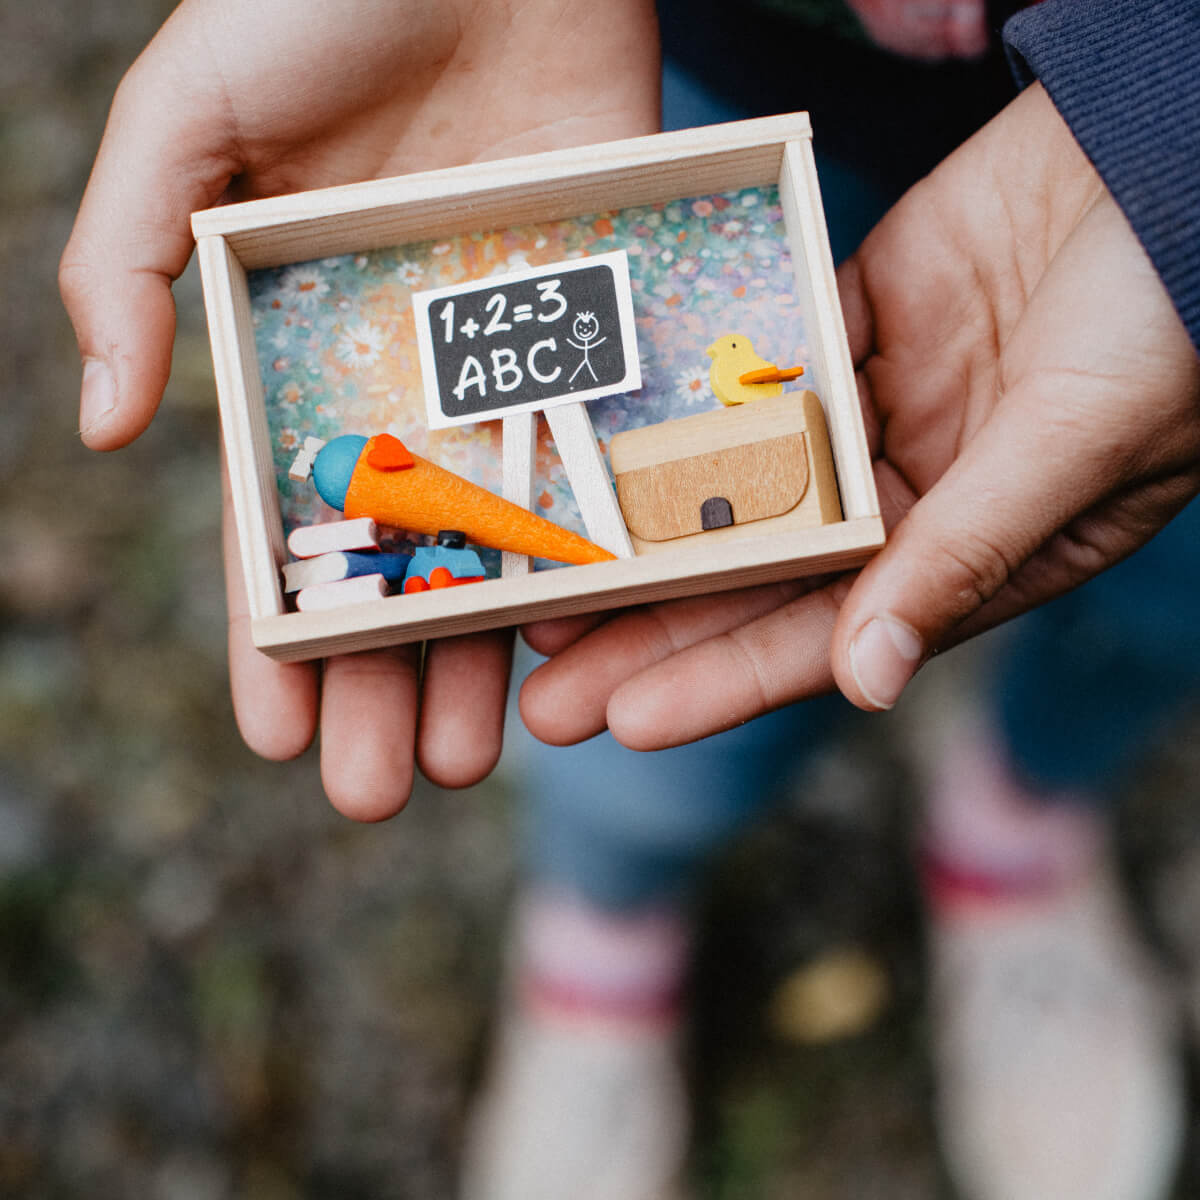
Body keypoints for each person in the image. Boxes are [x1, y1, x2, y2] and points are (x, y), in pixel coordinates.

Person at [61, 0, 1199, 1195]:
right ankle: (603, 934)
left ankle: (1020, 828)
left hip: (1153, 135)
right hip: (712, 47)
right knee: (646, 707)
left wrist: (1173, 133)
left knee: (1160, 590)